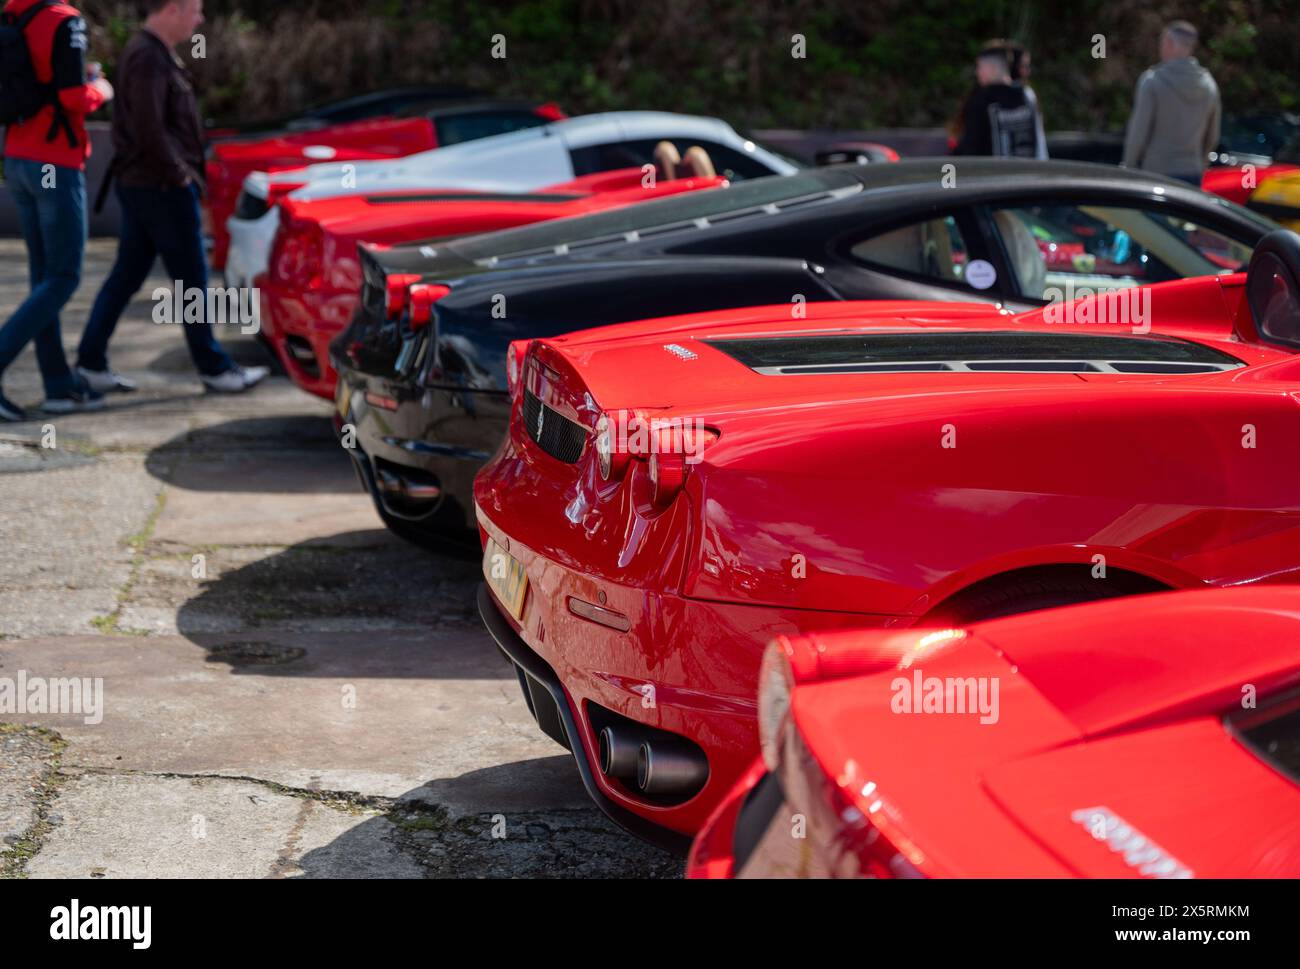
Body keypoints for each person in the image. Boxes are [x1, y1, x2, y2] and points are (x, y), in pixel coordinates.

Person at [76, 0, 267, 395]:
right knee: (192, 281)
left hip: (146, 184)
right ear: (173, 9)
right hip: (159, 187)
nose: (199, 20)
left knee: (128, 276)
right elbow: (149, 129)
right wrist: (181, 179)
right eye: (194, 10)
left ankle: (91, 362)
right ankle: (214, 368)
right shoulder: (148, 56)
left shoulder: (151, 53)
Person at [0, 0, 114, 422]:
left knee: (43, 279)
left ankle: (58, 385)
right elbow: (71, 98)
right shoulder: (65, 19)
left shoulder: (13, 12)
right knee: (64, 277)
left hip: (16, 158)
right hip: (54, 161)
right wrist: (100, 89)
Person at [1121, 20, 1221, 185]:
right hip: (1192, 173)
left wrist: (1129, 166)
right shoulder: (1209, 85)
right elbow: (1212, 137)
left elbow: (1138, 132)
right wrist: (1201, 164)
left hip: (1156, 173)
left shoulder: (1153, 81)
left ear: (1169, 43)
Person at [951, 41, 1042, 158]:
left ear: (991, 68)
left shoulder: (980, 100)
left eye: (979, 67)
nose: (977, 73)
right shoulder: (1027, 96)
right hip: (1027, 172)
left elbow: (971, 149)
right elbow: (1038, 142)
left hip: (992, 173)